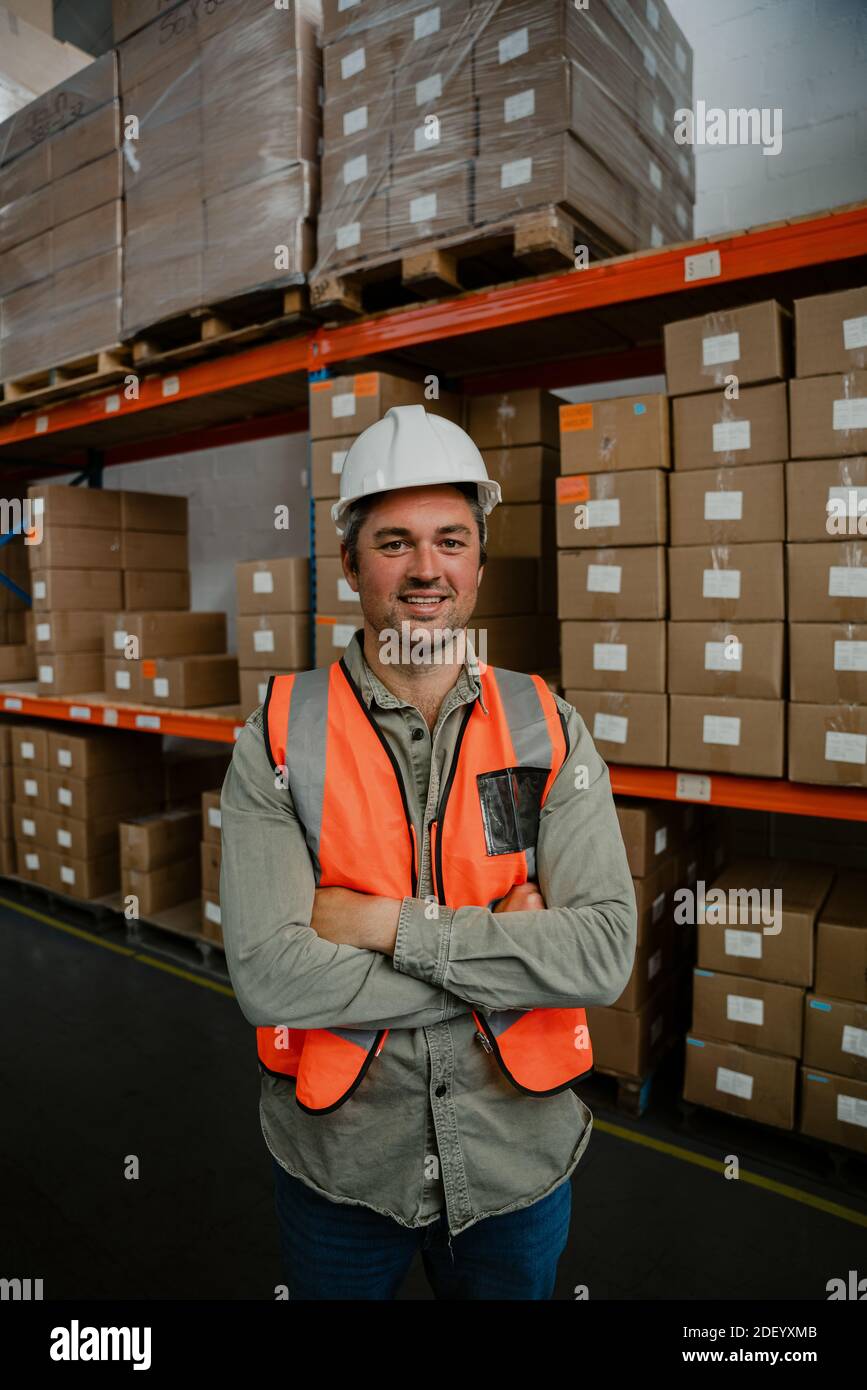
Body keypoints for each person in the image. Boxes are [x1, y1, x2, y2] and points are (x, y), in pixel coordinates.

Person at [219, 403, 637, 1300]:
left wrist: (376, 924)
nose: (424, 570)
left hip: (512, 1164)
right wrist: (510, 952)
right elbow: (267, 976)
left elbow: (601, 955)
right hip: (342, 1166)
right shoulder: (280, 736)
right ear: (348, 563)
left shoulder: (545, 726)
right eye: (394, 541)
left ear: (479, 563)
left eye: (450, 540)